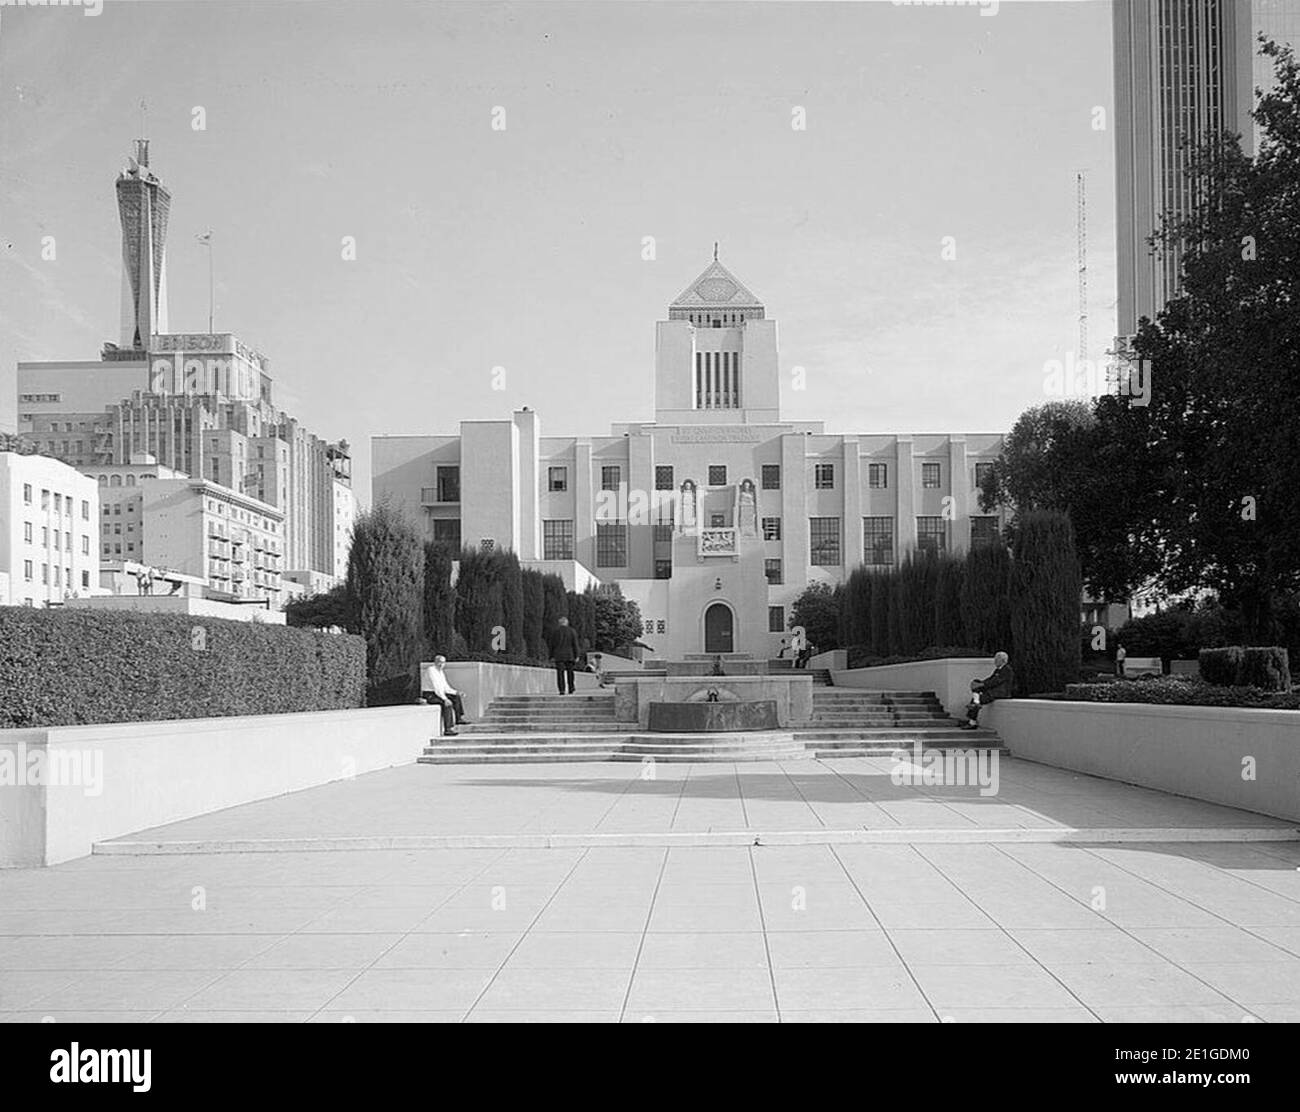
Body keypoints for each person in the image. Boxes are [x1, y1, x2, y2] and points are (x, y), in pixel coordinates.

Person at [961, 651, 1014, 729]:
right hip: (994, 691)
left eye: (997, 659)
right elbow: (990, 679)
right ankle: (972, 719)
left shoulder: (1007, 670)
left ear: (1003, 660)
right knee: (976, 695)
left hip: (1000, 693)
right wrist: (980, 683)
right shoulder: (997, 670)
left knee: (978, 699)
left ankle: (972, 722)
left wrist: (982, 685)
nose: (995, 661)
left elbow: (996, 681)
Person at [422, 655, 468, 736]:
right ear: (435, 662)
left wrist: (456, 692)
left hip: (438, 693)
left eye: (443, 662)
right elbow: (437, 687)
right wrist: (445, 699)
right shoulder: (431, 670)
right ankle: (448, 729)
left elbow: (445, 687)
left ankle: (459, 718)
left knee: (456, 697)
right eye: (439, 662)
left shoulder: (441, 672)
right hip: (430, 694)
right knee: (447, 704)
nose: (441, 664)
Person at [547, 615, 581, 695]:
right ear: (567, 622)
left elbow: (552, 645)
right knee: (570, 672)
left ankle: (561, 689)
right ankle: (571, 688)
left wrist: (551, 656)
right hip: (570, 655)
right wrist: (577, 655)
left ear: (559, 623)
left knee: (560, 673)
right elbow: (575, 644)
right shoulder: (572, 631)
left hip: (559, 655)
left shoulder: (555, 632)